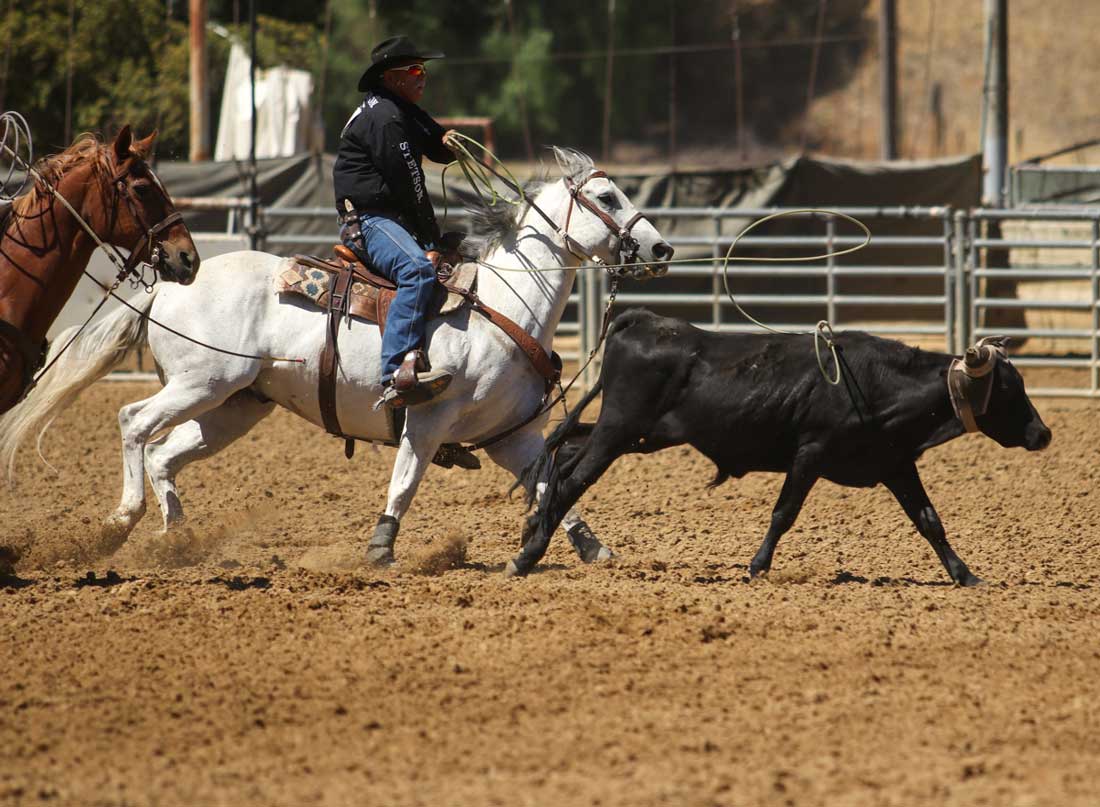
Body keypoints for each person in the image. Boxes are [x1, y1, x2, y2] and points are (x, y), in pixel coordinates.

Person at [333, 35, 458, 407]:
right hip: (369, 221)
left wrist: (450, 142)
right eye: (416, 70)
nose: (423, 77)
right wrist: (430, 239)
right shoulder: (385, 118)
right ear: (392, 76)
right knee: (418, 270)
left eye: (424, 70)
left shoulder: (398, 107)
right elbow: (410, 184)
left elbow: (433, 140)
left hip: (388, 216)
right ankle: (393, 376)